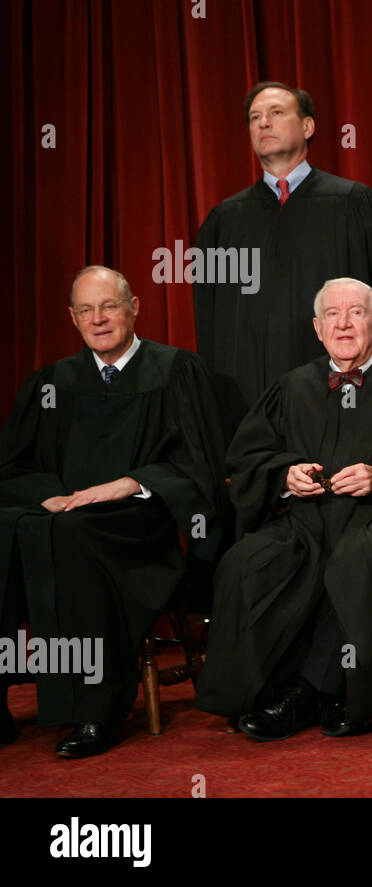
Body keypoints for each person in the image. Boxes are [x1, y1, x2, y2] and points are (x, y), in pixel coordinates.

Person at [196, 278, 372, 740]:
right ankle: (265, 690)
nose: (344, 324)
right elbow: (245, 459)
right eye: (332, 315)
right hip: (303, 520)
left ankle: (325, 692)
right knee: (247, 561)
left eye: (357, 313)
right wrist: (284, 476)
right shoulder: (291, 386)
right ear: (317, 328)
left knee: (354, 557)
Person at [0, 266, 227, 757]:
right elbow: (14, 465)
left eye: (109, 306)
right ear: (73, 317)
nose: (98, 319)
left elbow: (200, 464)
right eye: (86, 310)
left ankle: (94, 708)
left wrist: (129, 484)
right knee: (10, 527)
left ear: (134, 307)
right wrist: (49, 497)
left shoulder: (176, 371)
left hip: (140, 524)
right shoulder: (53, 382)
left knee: (75, 533)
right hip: (65, 512)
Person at [194, 81, 372, 432]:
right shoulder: (224, 220)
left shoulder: (354, 204)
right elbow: (209, 320)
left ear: (308, 126)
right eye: (254, 117)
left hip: (341, 398)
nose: (264, 123)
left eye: (276, 113)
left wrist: (352, 365)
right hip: (249, 403)